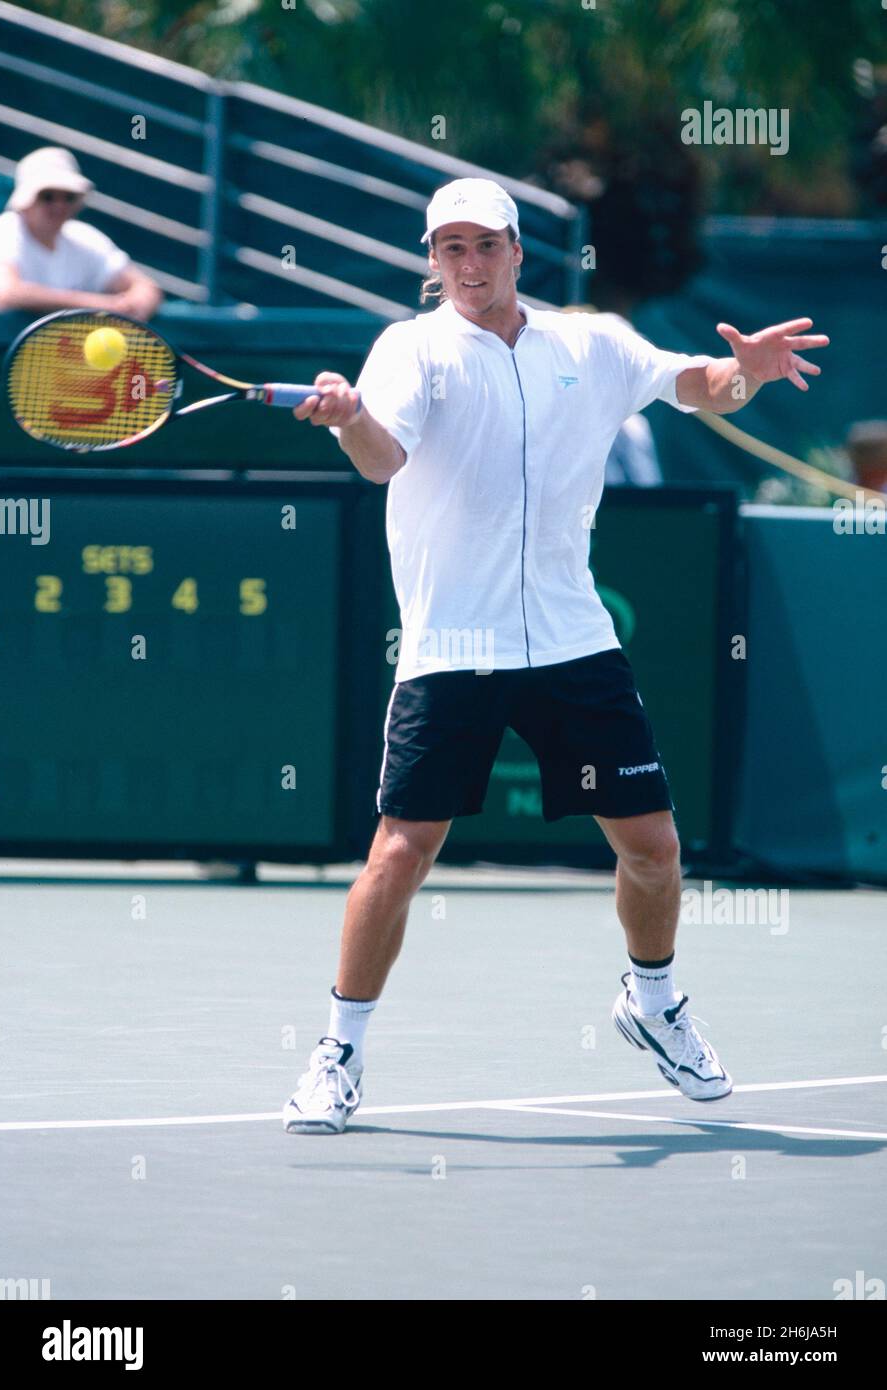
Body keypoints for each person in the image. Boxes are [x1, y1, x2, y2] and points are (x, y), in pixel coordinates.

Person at [282, 177, 829, 1135]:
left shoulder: (594, 341)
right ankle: (338, 1050)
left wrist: (744, 373)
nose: (466, 265)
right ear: (432, 261)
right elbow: (383, 459)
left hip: (574, 640)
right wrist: (348, 419)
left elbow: (698, 387)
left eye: (483, 246)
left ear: (516, 251)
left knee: (653, 850)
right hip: (452, 646)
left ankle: (652, 1003)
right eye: (448, 250)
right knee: (402, 852)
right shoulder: (410, 351)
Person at [0, 147, 161, 319]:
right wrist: (104, 306)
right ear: (25, 201)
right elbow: (7, 292)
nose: (59, 205)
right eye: (47, 196)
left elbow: (145, 286)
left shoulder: (85, 237)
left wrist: (135, 307)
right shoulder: (4, 230)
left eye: (69, 196)